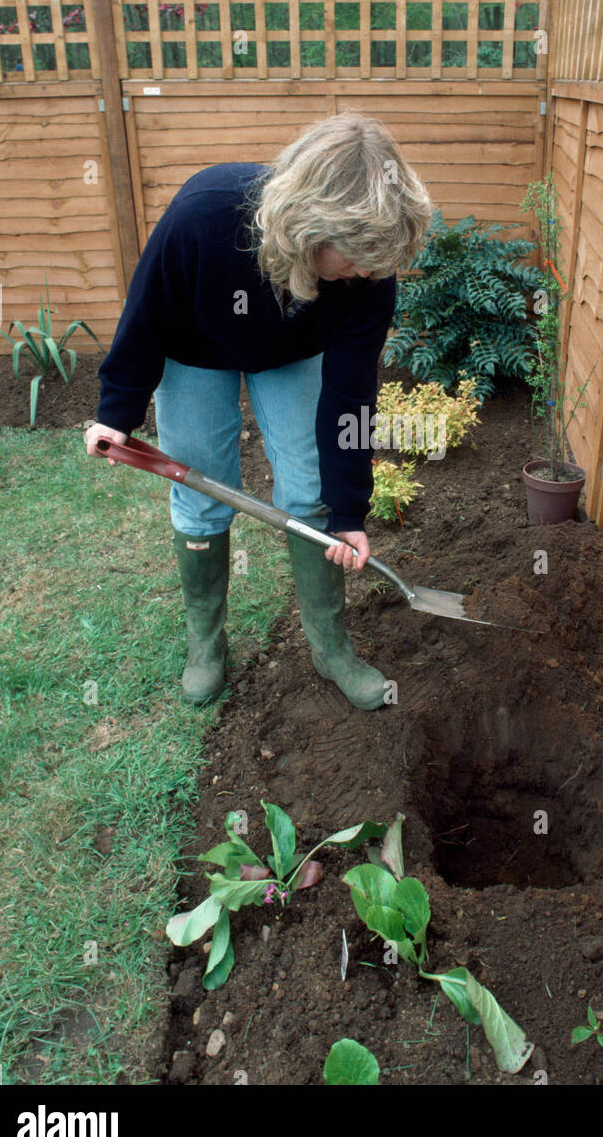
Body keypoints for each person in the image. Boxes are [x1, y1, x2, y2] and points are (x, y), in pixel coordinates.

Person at [85, 112, 432, 709]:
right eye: (354, 259)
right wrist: (117, 411)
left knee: (311, 485)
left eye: (378, 262)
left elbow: (352, 394)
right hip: (193, 348)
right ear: (310, 229)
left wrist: (351, 511)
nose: (370, 273)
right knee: (200, 485)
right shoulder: (204, 216)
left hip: (294, 352)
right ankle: (207, 644)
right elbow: (146, 313)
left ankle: (329, 647)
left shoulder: (371, 273)